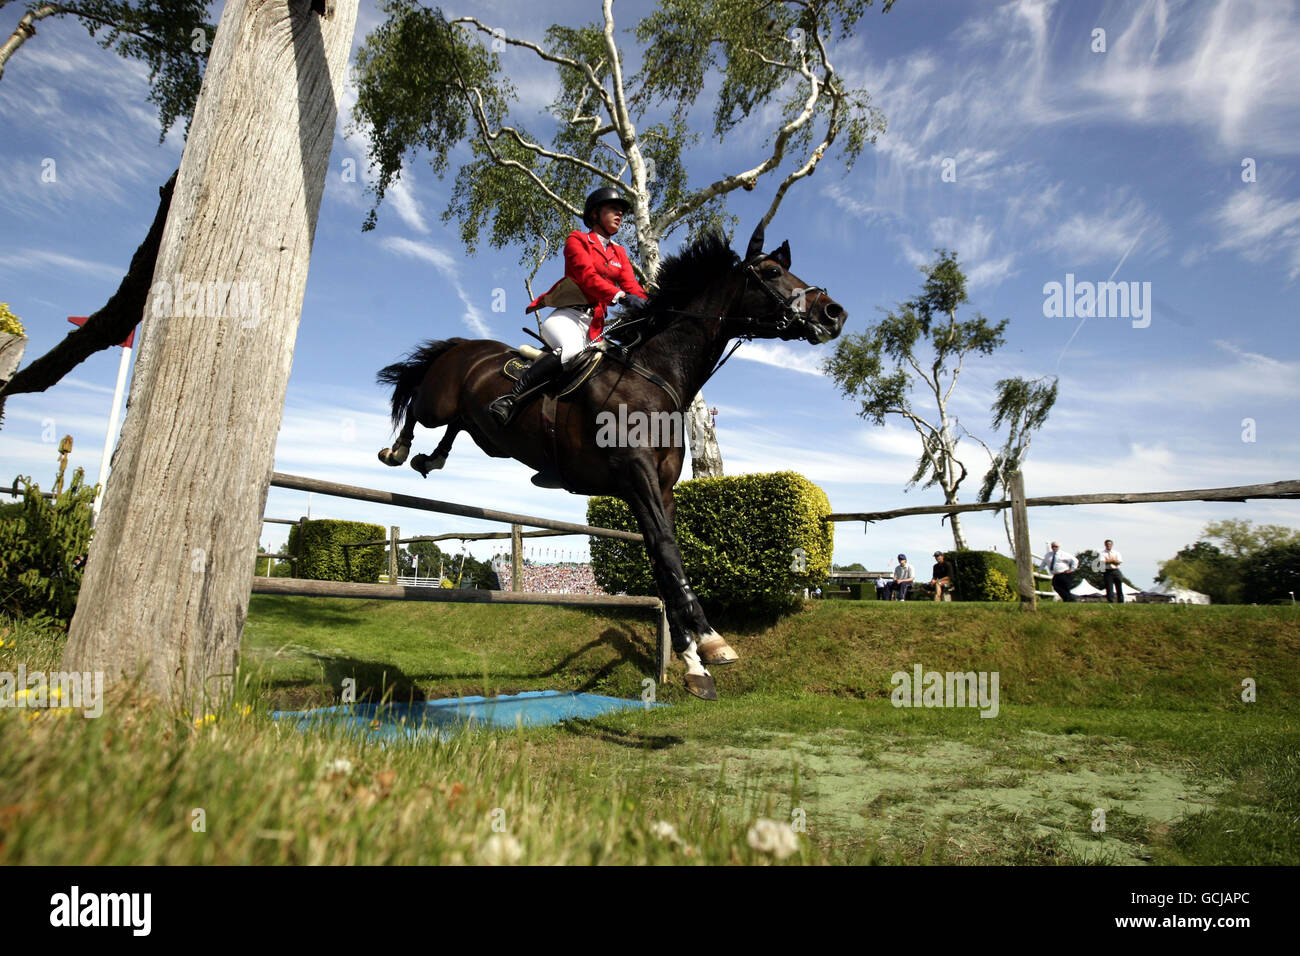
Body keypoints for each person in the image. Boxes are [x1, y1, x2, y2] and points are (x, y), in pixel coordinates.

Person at [488, 186, 648, 425]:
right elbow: (587, 278)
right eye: (613, 209)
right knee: (572, 350)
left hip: (595, 326)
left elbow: (632, 286)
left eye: (622, 212)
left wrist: (650, 304)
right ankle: (509, 398)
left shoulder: (620, 252)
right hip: (567, 318)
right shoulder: (577, 240)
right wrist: (621, 297)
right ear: (595, 214)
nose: (620, 215)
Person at [1100, 539, 1124, 603]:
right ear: (1105, 545)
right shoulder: (1102, 553)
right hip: (1107, 571)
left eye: (1110, 544)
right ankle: (1110, 601)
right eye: (1107, 544)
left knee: (1119, 587)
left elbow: (1119, 562)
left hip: (1116, 571)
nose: (1108, 545)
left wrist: (1109, 561)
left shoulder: (1116, 552)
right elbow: (1102, 562)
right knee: (1109, 588)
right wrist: (1113, 560)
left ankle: (1121, 601)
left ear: (1112, 545)